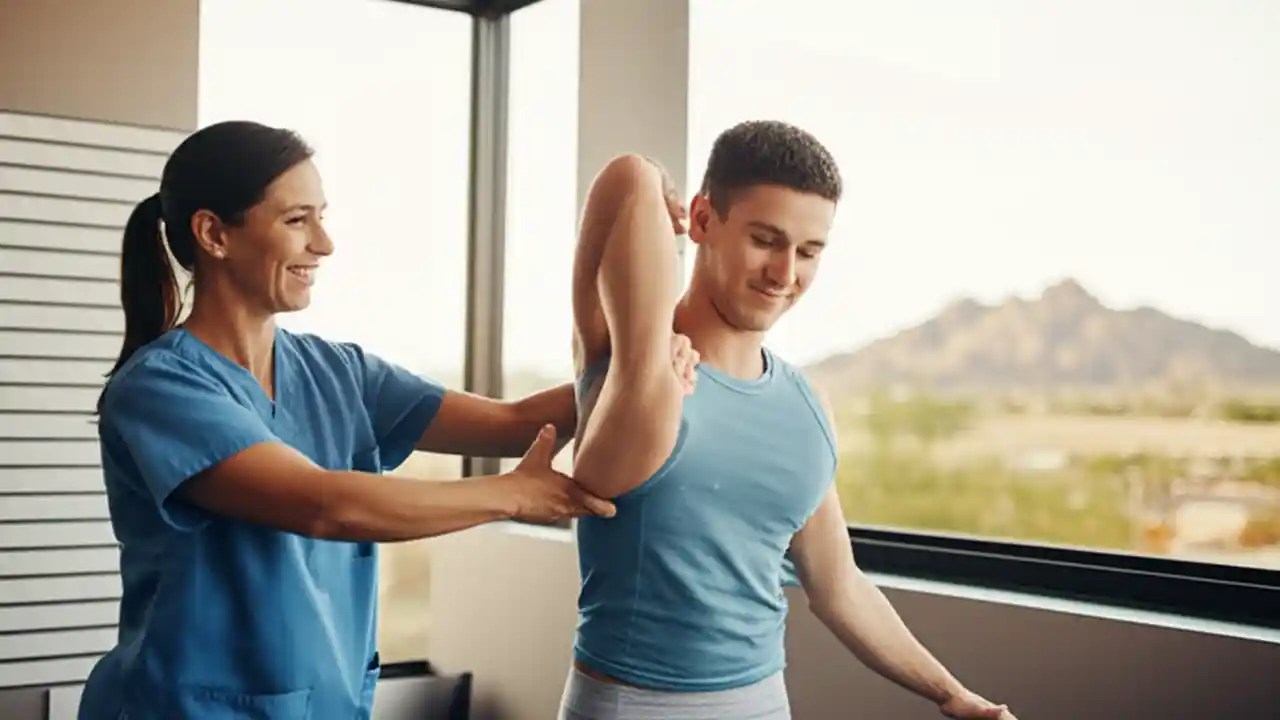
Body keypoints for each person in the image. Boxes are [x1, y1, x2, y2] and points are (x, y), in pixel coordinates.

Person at [78, 120, 697, 720]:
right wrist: (510, 495)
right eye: (298, 220)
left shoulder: (335, 371)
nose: (324, 243)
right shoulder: (161, 388)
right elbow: (324, 506)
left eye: (322, 216)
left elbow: (515, 423)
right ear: (214, 234)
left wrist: (650, 350)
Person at [558, 121, 1018, 720]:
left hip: (762, 703)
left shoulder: (804, 407)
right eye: (765, 240)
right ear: (701, 221)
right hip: (628, 704)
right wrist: (652, 181)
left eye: (808, 251)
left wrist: (953, 694)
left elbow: (839, 587)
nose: (784, 273)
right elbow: (623, 185)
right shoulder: (627, 360)